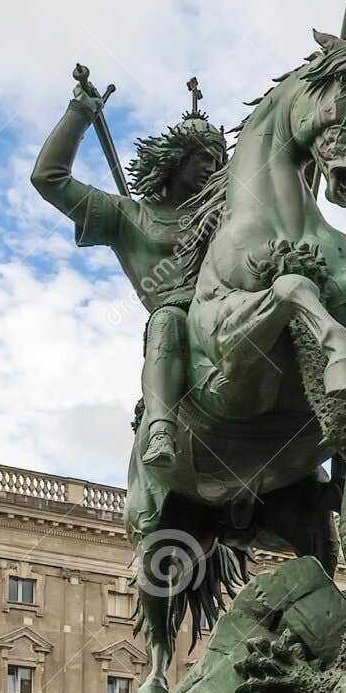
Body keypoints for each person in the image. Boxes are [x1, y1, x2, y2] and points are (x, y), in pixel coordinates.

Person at [31, 77, 226, 467]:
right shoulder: (128, 216)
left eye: (218, 160)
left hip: (230, 309)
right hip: (180, 318)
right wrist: (80, 113)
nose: (212, 166)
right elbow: (49, 178)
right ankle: (161, 431)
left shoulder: (227, 212)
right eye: (203, 156)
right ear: (176, 158)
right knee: (166, 321)